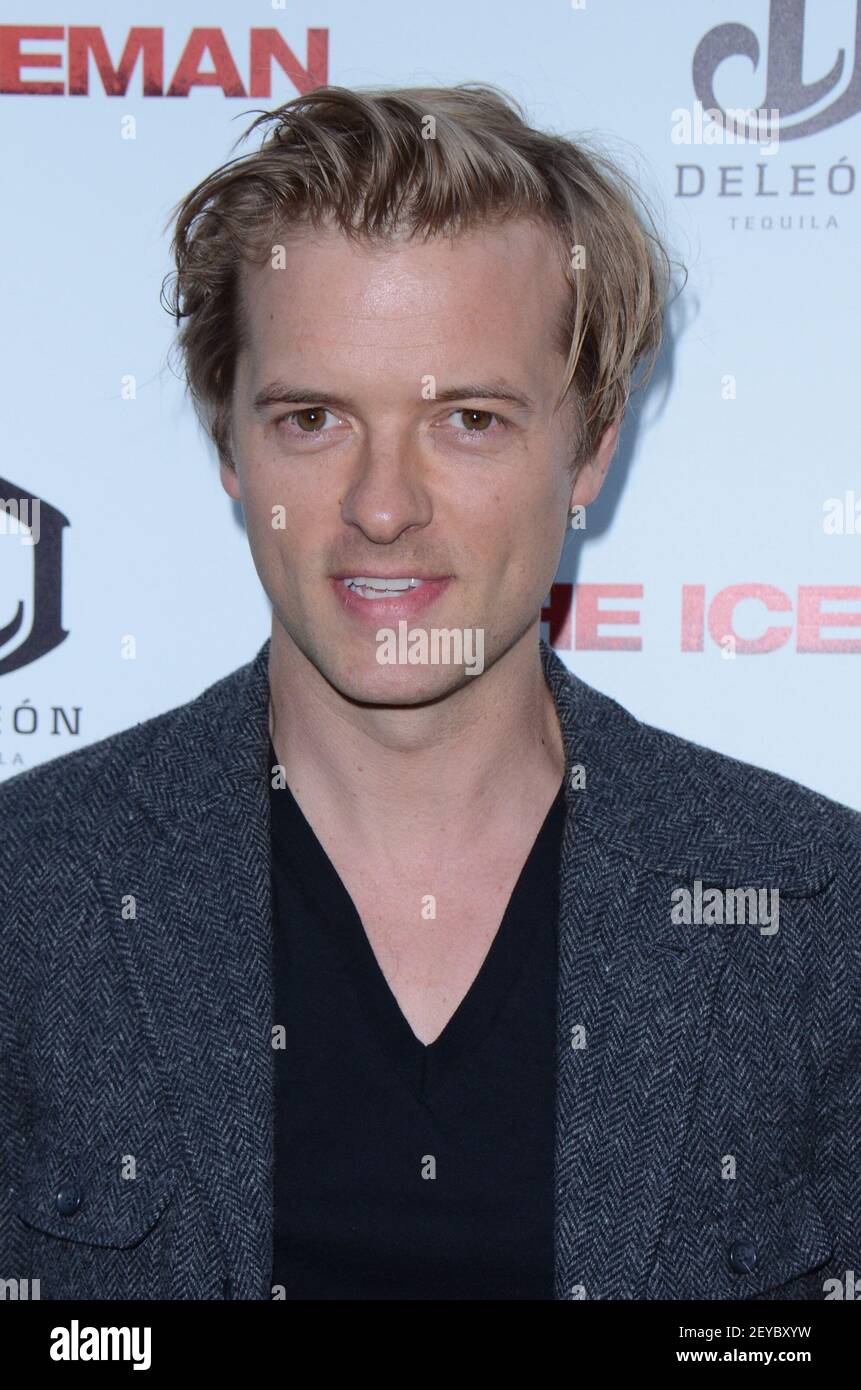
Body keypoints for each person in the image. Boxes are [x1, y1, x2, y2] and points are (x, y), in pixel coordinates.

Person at [1, 84, 858, 1301]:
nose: (384, 505)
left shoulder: (819, 920)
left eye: (467, 419)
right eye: (312, 417)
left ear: (594, 445)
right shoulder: (29, 903)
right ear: (229, 444)